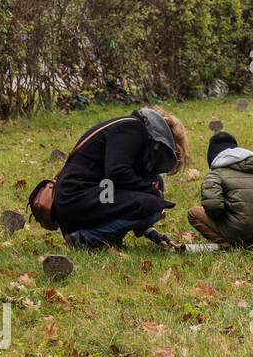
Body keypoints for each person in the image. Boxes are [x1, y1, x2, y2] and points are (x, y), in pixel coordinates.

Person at [53, 107, 189, 250]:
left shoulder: (136, 129)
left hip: (92, 194)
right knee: (153, 206)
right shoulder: (131, 129)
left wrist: (149, 230)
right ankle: (86, 238)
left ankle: (109, 238)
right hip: (75, 197)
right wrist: (151, 193)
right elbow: (117, 172)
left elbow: (116, 182)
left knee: (156, 183)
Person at [187, 132, 253, 248]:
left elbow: (213, 208)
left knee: (193, 213)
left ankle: (227, 245)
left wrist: (228, 217)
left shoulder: (215, 175)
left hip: (236, 233)